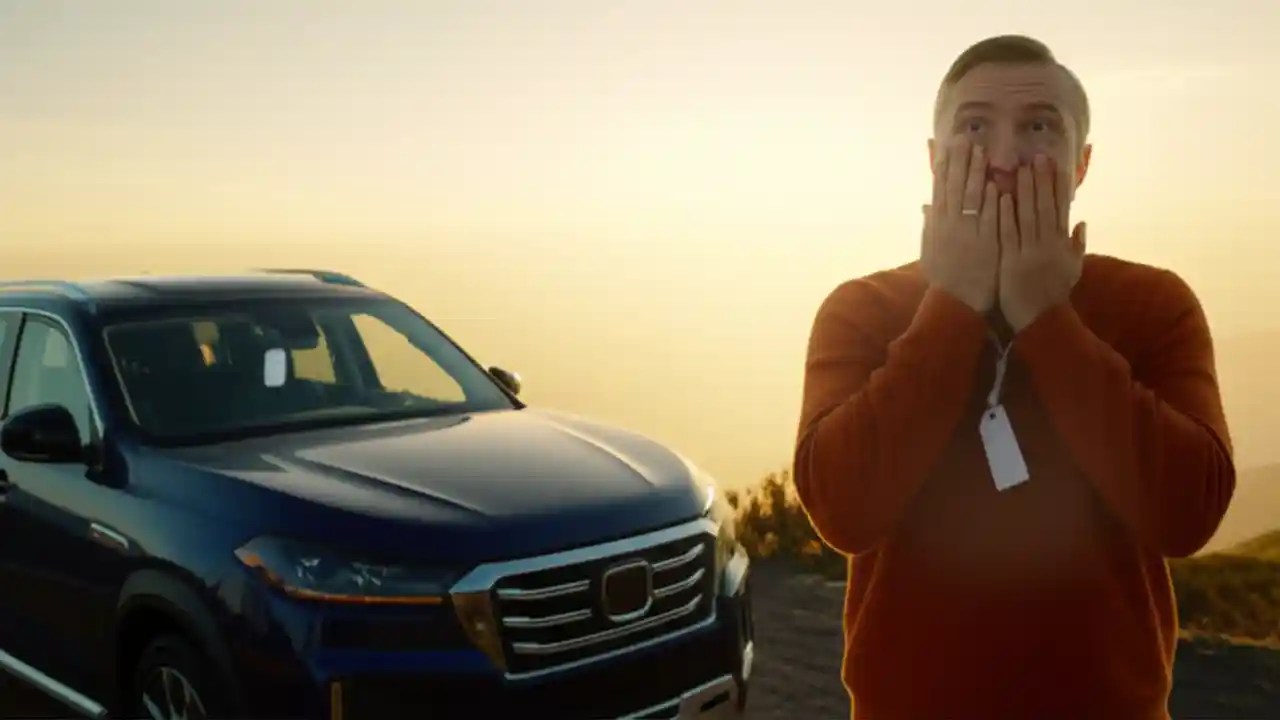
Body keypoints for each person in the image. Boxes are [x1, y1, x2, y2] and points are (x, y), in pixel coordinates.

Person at [793, 35, 1235, 720]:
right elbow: (844, 510)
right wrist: (953, 305)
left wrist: (1047, 320)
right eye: (975, 128)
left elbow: (1188, 514)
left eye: (1038, 127)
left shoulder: (1153, 304)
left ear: (1081, 163)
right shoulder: (863, 311)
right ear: (935, 160)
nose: (1002, 158)